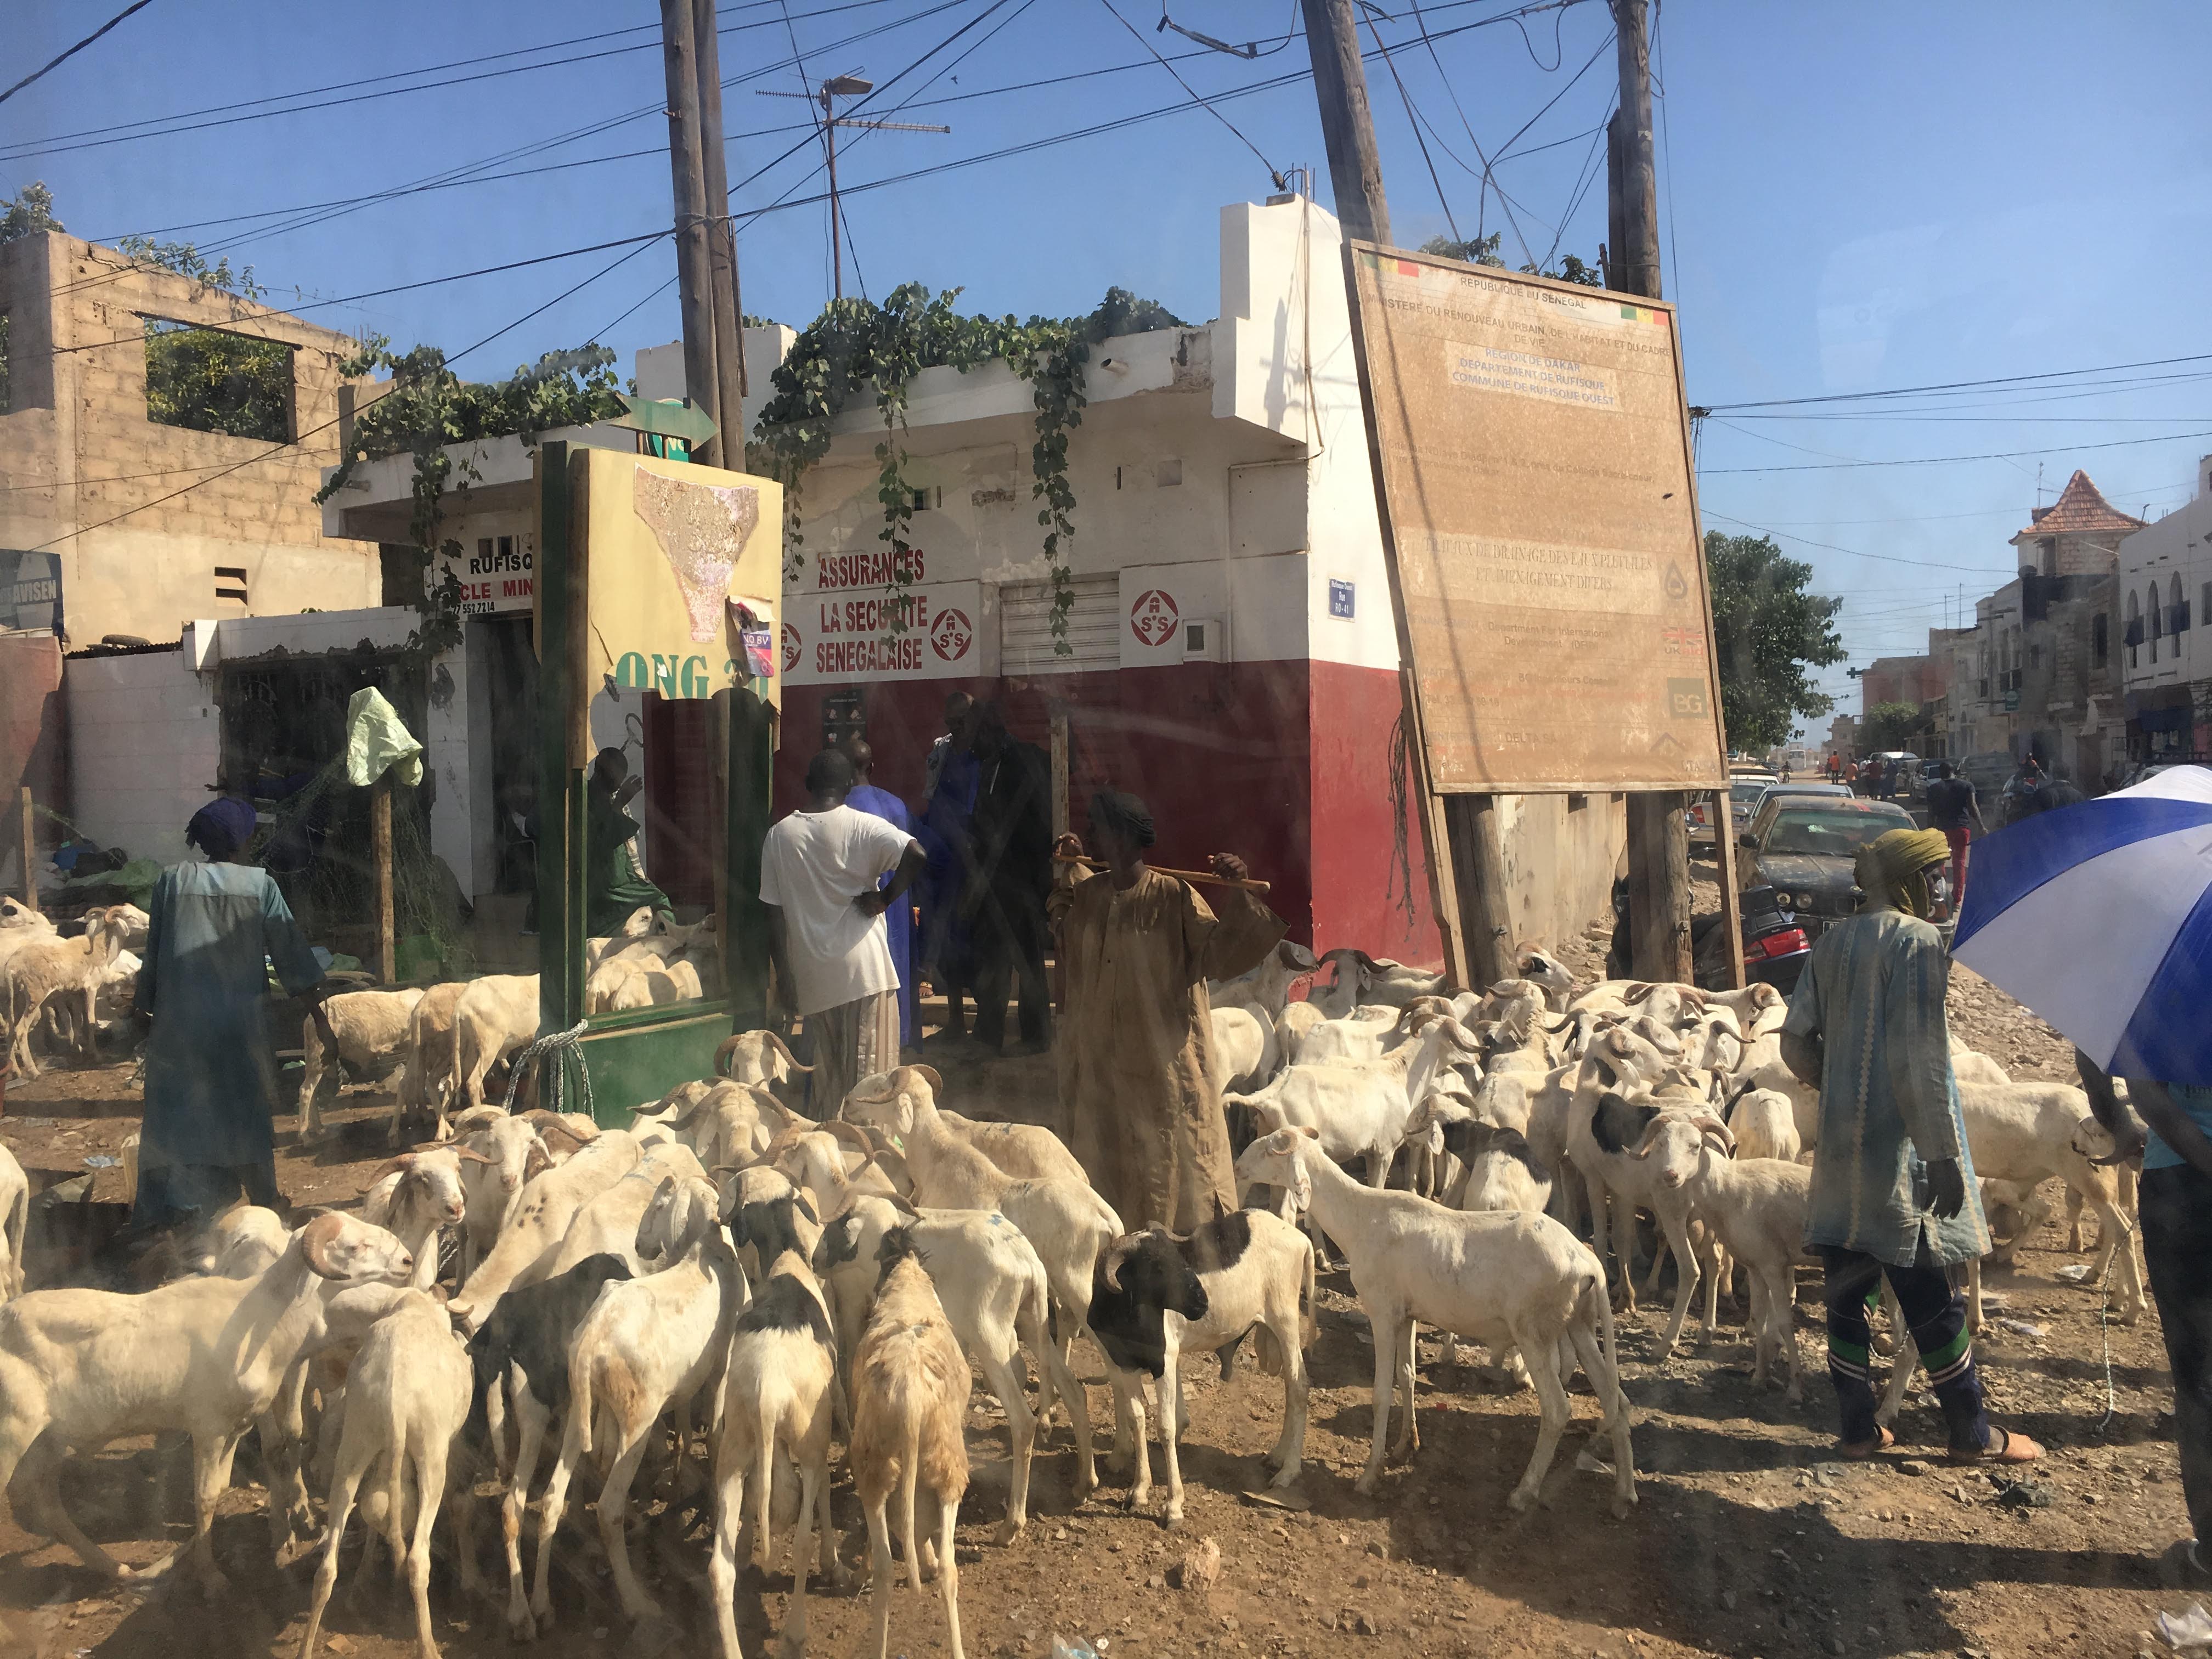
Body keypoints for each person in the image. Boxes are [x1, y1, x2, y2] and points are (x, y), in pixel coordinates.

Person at [1781, 826, 2040, 1466]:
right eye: (1932, 876)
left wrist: (1838, 1082)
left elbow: (1792, 1043)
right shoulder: (1917, 941)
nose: (1938, 888)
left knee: (1847, 1293)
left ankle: (1857, 1429)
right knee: (1932, 1298)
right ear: (1909, 882)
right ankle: (1973, 1434)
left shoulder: (1833, 943)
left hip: (1842, 1157)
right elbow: (1918, 1057)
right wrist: (1943, 1153)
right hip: (1901, 1156)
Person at [1049, 791, 1284, 1232]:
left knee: (1171, 1176)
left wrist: (1239, 891)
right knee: (1106, 1178)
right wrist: (1072, 865)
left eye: (1097, 827)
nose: (1091, 833)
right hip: (1104, 1072)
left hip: (1163, 1077)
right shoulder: (1091, 897)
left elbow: (1221, 956)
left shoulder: (1175, 897)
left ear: (1121, 837)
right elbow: (1063, 925)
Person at [132, 796, 328, 1232]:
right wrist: (320, 1015)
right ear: (243, 839)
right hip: (239, 1028)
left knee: (171, 1115)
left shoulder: (171, 882)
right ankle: (265, 1198)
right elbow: (292, 955)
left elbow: (155, 954)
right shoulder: (261, 886)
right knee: (245, 1111)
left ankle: (157, 1214)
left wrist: (141, 1010)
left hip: (177, 1026)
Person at [2076, 1052, 2212, 1588]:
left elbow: (2110, 1062)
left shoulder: (2159, 977)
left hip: (2182, 1185)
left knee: (2200, 1375)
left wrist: (2119, 1122)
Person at [760, 748, 925, 1118]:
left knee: (829, 1092)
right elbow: (917, 853)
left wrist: (785, 977)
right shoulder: (862, 825)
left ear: (807, 785)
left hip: (815, 980)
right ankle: (870, 1168)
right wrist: (884, 898)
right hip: (865, 974)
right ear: (850, 785)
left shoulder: (778, 836)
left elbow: (772, 912)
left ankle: (828, 1165)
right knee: (871, 1092)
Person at [967, 704, 1054, 1054]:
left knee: (1027, 958)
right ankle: (991, 1034)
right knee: (995, 957)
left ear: (989, 732)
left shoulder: (1025, 760)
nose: (970, 745)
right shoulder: (987, 764)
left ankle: (1034, 1037)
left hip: (1021, 880)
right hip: (995, 880)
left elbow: (1039, 821)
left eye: (974, 737)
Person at [839, 736, 918, 1054]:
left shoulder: (841, 809)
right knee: (897, 972)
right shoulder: (897, 805)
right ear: (872, 767)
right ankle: (900, 1041)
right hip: (895, 905)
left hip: (859, 913)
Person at [916, 695, 980, 1042]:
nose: (955, 728)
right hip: (940, 855)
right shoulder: (944, 751)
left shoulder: (983, 757)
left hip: (969, 860)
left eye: (961, 720)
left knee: (971, 940)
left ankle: (980, 1021)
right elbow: (932, 797)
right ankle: (955, 1018)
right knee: (944, 935)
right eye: (950, 722)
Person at [585, 748, 672, 935]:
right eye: (614, 780)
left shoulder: (610, 797)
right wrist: (619, 804)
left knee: (660, 902)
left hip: (623, 879)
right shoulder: (585, 801)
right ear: (599, 774)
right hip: (603, 887)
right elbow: (598, 846)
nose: (617, 787)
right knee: (659, 901)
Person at [1923, 760, 1984, 917]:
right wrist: (1981, 826)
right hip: (1962, 829)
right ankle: (1957, 901)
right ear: (1954, 771)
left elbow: (1931, 814)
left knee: (1939, 862)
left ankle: (1942, 896)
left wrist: (1929, 831)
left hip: (1942, 830)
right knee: (1960, 863)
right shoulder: (1967, 786)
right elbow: (1973, 806)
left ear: (1941, 773)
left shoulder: (1934, 789)